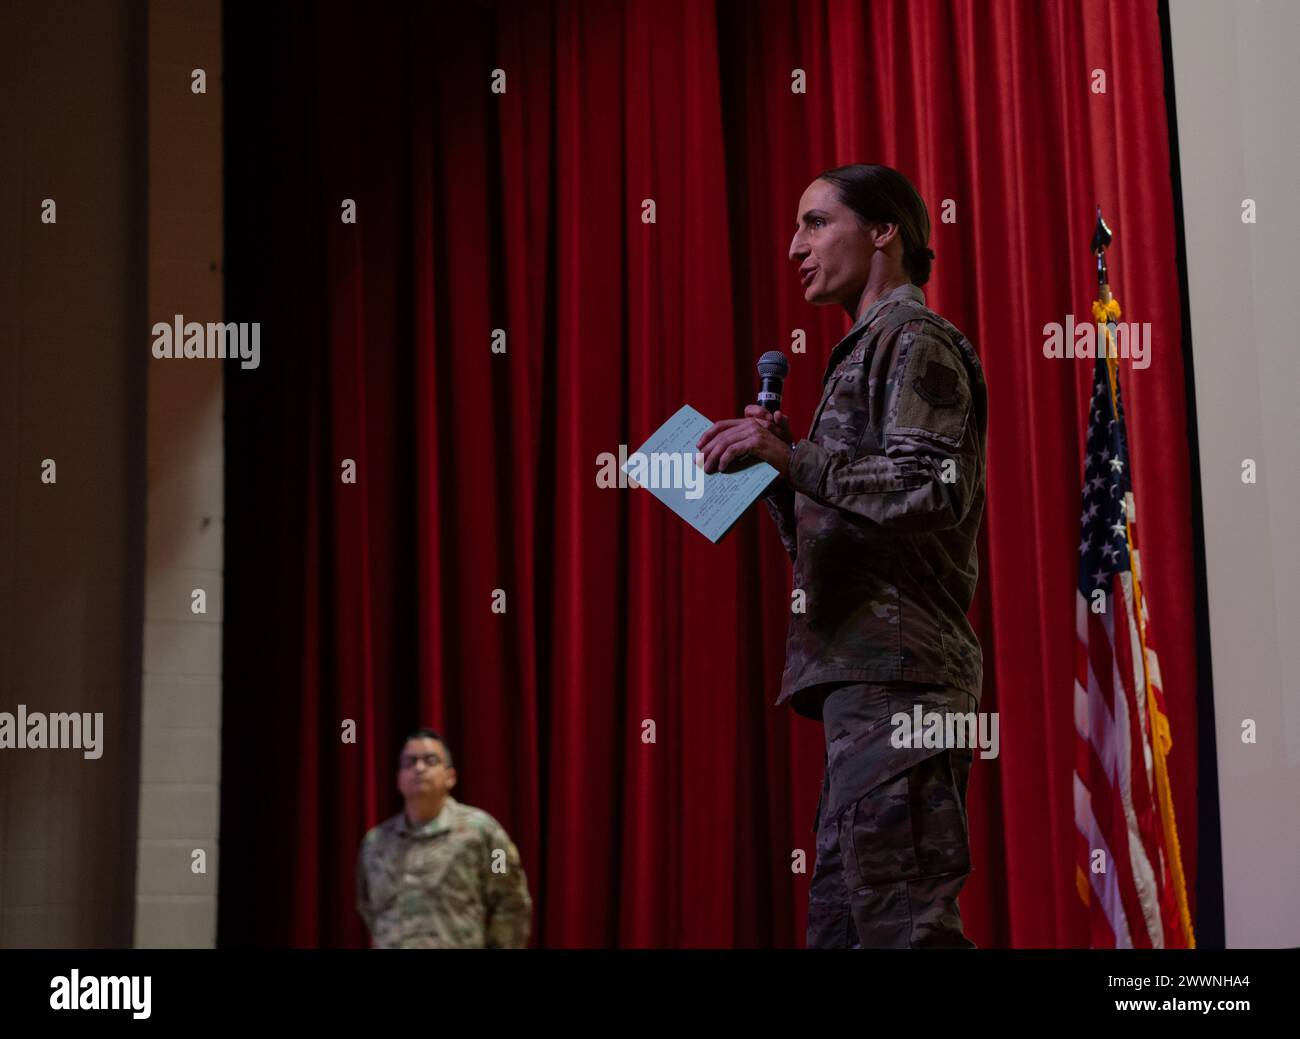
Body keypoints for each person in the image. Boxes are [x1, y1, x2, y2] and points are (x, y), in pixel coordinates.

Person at [696, 163, 989, 948]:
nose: (796, 245)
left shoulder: (914, 339)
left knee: (903, 930)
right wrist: (779, 479)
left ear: (884, 230)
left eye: (816, 222)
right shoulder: (859, 353)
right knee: (845, 931)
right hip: (865, 685)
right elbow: (848, 533)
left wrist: (797, 462)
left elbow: (933, 486)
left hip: (904, 681)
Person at [356, 727, 533, 948]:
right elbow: (368, 908)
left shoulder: (483, 833)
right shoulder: (376, 843)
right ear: (399, 778)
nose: (419, 768)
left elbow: (511, 902)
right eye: (410, 762)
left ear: (450, 776)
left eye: (430, 760)